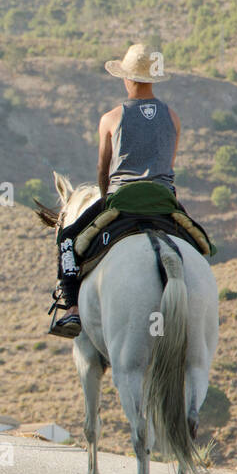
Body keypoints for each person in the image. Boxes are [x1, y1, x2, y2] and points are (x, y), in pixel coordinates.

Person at [50, 42, 181, 338]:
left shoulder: (111, 119)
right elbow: (169, 165)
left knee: (69, 238)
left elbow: (102, 169)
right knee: (200, 242)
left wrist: (106, 197)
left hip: (123, 199)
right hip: (165, 200)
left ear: (128, 78)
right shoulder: (173, 117)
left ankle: (71, 309)